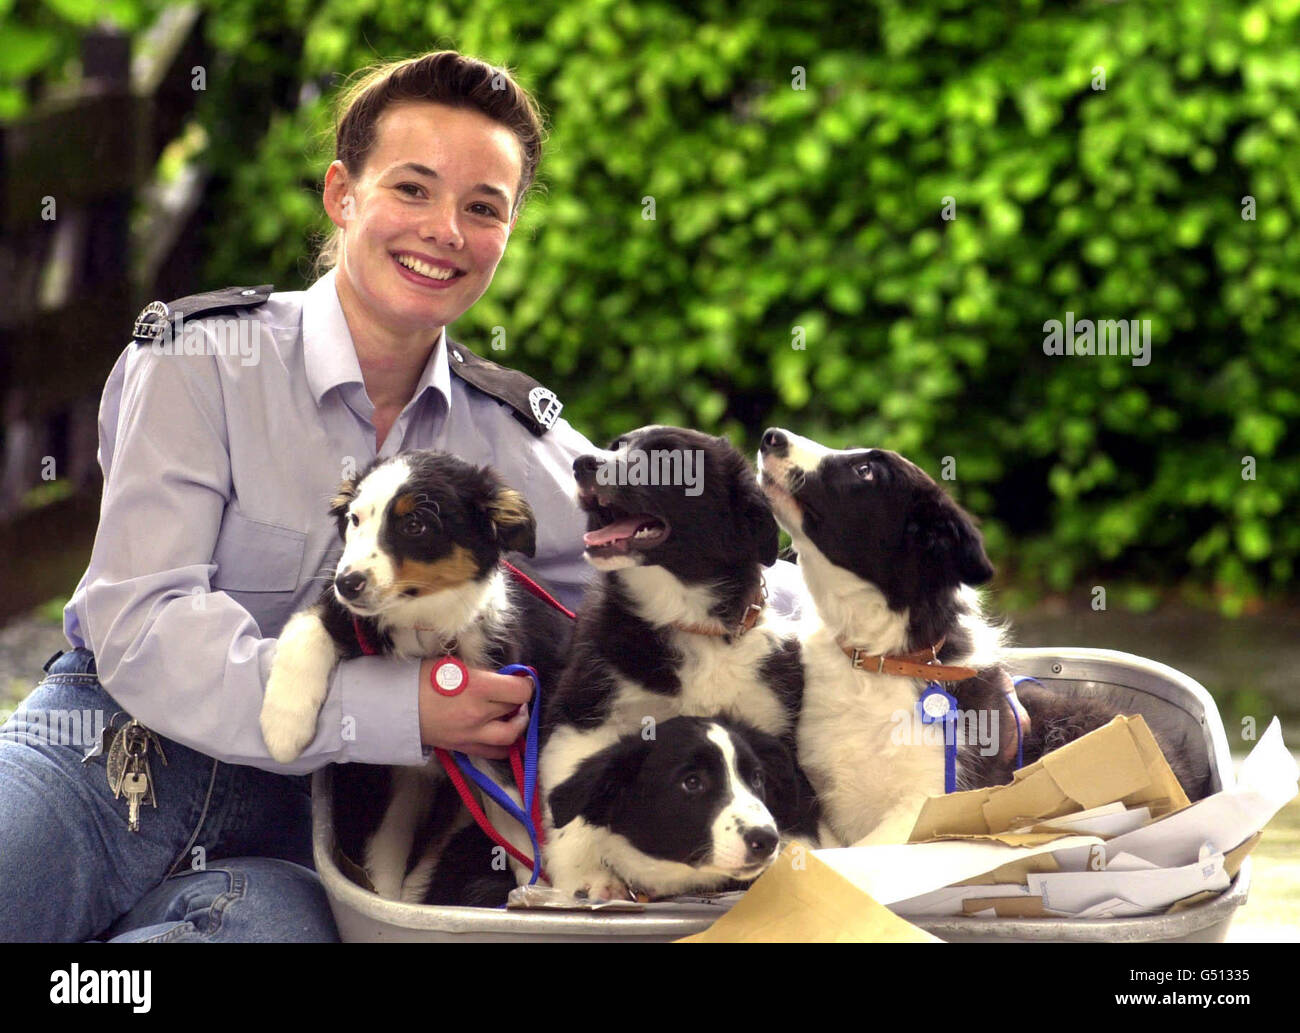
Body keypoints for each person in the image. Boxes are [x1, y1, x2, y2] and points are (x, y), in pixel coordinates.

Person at [0, 50, 808, 943]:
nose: (445, 231)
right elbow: (142, 624)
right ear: (341, 195)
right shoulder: (198, 362)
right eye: (413, 189)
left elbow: (685, 560)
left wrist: (898, 648)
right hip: (105, 755)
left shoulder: (513, 439)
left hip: (298, 834)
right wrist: (402, 711)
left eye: (483, 207)